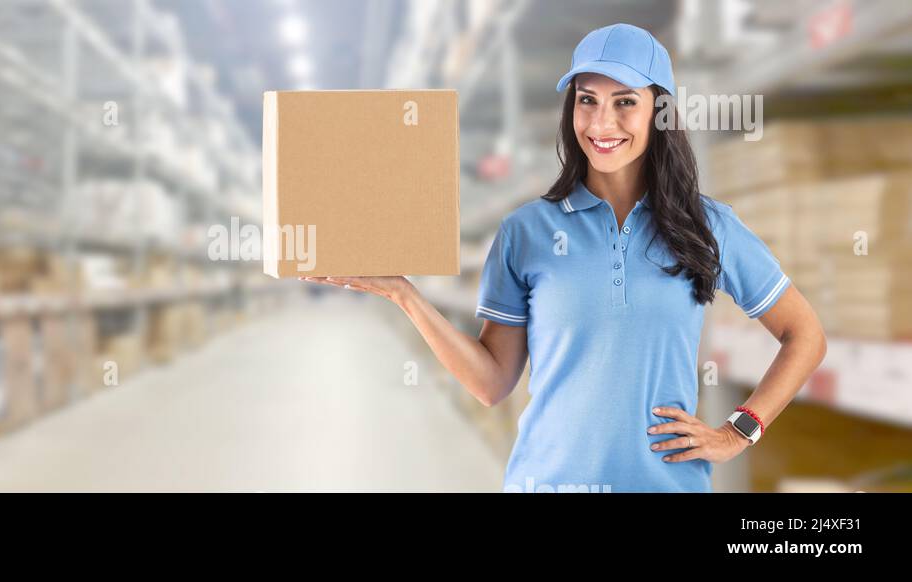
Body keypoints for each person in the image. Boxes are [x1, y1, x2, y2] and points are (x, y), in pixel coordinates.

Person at [303, 23, 827, 492]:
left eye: (625, 101)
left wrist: (739, 431)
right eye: (586, 100)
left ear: (660, 109)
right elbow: (491, 384)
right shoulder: (526, 232)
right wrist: (405, 294)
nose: (601, 123)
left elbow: (804, 335)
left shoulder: (707, 226)